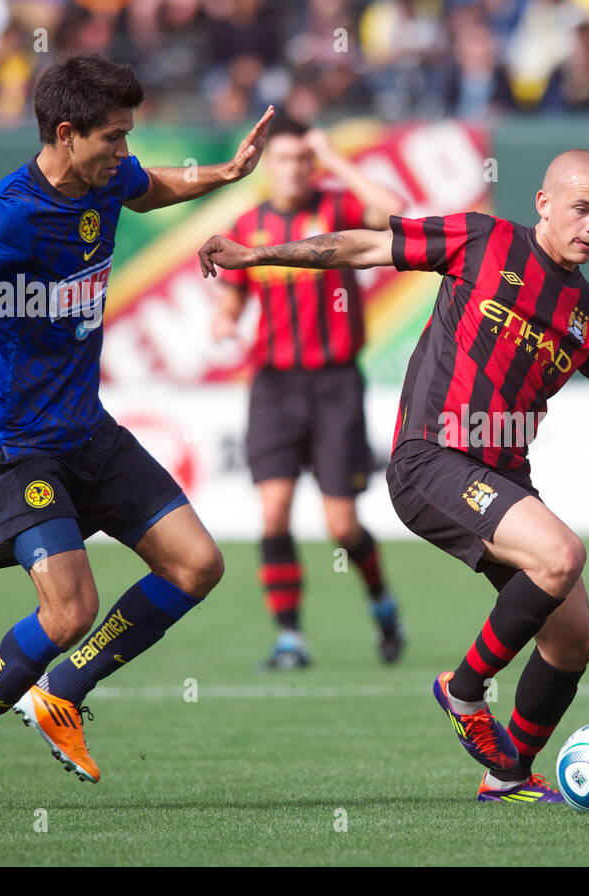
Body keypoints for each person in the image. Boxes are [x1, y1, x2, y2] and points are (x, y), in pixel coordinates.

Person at [197, 149, 589, 803]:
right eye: (581, 209)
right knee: (562, 556)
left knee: (574, 636)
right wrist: (255, 256)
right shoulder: (482, 239)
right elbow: (364, 247)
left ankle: (508, 776)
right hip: (430, 458)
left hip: (502, 476)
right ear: (544, 204)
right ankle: (464, 691)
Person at [0, 53, 273, 812]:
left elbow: (156, 187)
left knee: (198, 566)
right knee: (70, 609)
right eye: (114, 136)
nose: (125, 149)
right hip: (15, 446)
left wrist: (226, 174)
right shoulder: (8, 213)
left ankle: (65, 692)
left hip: (88, 433)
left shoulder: (107, 178)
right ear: (68, 133)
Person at [211, 116, 408, 668]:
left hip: (335, 385)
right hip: (273, 385)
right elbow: (234, 296)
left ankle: (383, 605)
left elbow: (397, 211)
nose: (295, 168)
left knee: (341, 526)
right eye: (285, 159)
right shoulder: (248, 224)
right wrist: (224, 320)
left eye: (304, 159)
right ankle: (290, 638)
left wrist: (337, 158)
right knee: (273, 514)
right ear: (266, 166)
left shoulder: (338, 208)